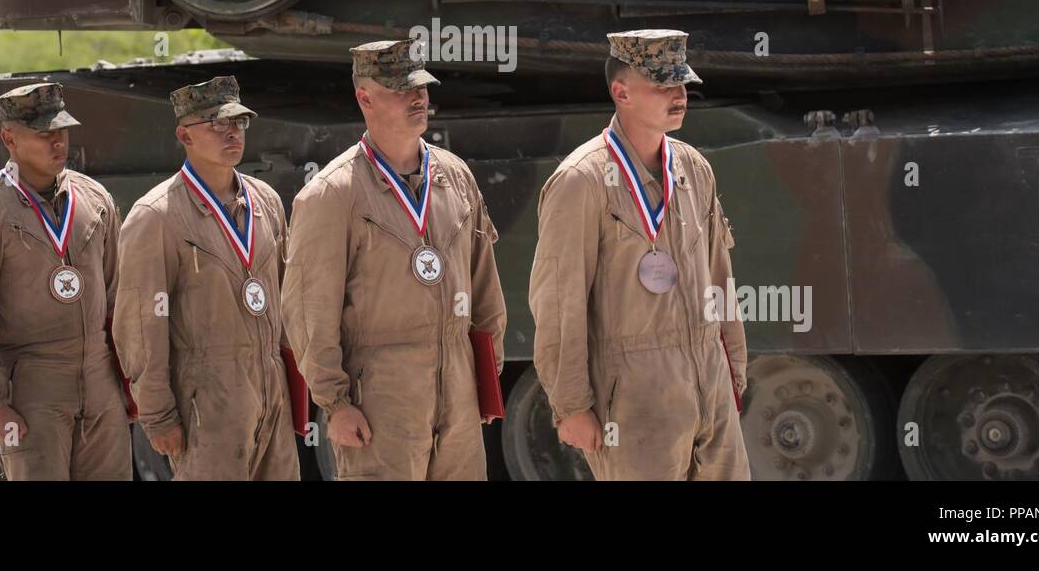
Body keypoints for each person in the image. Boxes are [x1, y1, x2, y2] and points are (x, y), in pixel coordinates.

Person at [529, 29, 750, 480]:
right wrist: (571, 405)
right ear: (621, 92)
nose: (679, 95)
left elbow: (720, 278)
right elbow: (558, 303)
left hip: (710, 383)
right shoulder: (581, 181)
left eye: (681, 84)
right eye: (663, 86)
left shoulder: (692, 168)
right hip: (634, 395)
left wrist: (734, 371)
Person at [282, 39, 506, 480]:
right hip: (382, 398)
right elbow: (309, 311)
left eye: (420, 87)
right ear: (364, 97)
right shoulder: (333, 194)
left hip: (458, 392)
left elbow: (484, 284)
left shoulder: (455, 176)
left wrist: (486, 375)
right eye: (402, 90)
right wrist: (336, 403)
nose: (418, 97)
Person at [0, 82, 131, 480]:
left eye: (61, 130)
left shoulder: (94, 198)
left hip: (100, 378)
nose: (57, 141)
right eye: (43, 133)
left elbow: (119, 293)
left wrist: (129, 379)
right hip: (33, 385)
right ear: (9, 138)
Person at [113, 76, 298, 480]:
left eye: (238, 122)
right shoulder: (156, 216)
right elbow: (140, 326)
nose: (231, 132)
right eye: (216, 123)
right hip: (207, 398)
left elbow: (287, 302)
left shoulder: (265, 201)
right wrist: (159, 415)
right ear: (184, 135)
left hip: (270, 393)